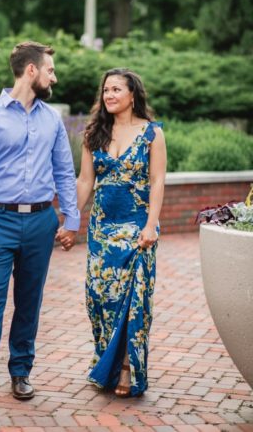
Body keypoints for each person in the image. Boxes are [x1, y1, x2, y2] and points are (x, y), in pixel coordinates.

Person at [0, 41, 80, 405]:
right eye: (50, 70)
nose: (54, 78)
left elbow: (64, 171)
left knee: (29, 302)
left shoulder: (52, 120)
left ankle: (21, 373)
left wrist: (71, 218)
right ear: (31, 71)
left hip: (41, 222)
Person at [76, 68, 166, 397]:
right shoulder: (93, 134)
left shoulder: (152, 133)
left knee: (133, 302)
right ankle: (106, 360)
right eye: (106, 90)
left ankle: (126, 368)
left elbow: (157, 181)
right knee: (99, 298)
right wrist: (70, 220)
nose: (109, 95)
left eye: (116, 89)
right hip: (101, 230)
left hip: (137, 229)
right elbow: (85, 181)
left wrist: (150, 225)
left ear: (132, 95)